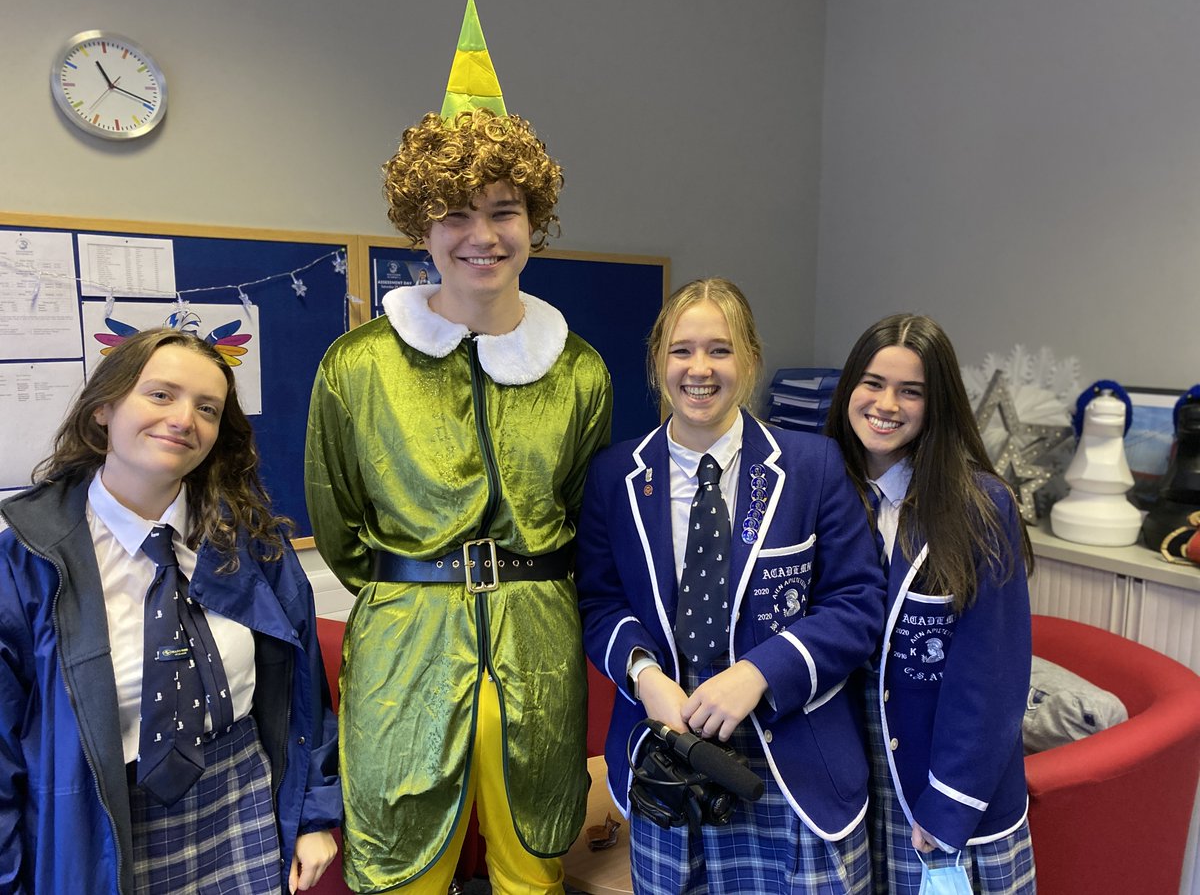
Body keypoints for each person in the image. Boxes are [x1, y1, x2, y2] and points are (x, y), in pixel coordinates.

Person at [304, 106, 613, 892]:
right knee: (402, 868)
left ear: (534, 223)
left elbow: (589, 518)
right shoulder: (358, 366)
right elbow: (337, 521)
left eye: (504, 211)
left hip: (538, 643)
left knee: (533, 864)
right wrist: (414, 589)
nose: (483, 235)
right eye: (455, 213)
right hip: (405, 646)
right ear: (423, 226)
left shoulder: (579, 371)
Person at [0, 329, 341, 894]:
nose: (184, 419)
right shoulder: (27, 563)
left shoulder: (251, 541)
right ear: (104, 408)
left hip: (243, 797)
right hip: (100, 822)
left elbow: (304, 691)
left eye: (207, 408)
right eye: (160, 395)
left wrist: (313, 815)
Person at [575, 278, 885, 894]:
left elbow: (858, 605)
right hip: (669, 745)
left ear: (750, 359)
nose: (700, 369)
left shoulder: (813, 465)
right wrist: (644, 676)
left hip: (792, 752)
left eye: (720, 349)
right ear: (658, 361)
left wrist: (761, 672)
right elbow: (600, 601)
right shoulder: (615, 475)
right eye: (681, 350)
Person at [824, 314, 1037, 893]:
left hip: (940, 791)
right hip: (846, 791)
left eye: (911, 391)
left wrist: (949, 805)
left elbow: (991, 677)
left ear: (937, 403)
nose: (886, 404)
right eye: (872, 383)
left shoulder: (981, 506)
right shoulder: (824, 493)